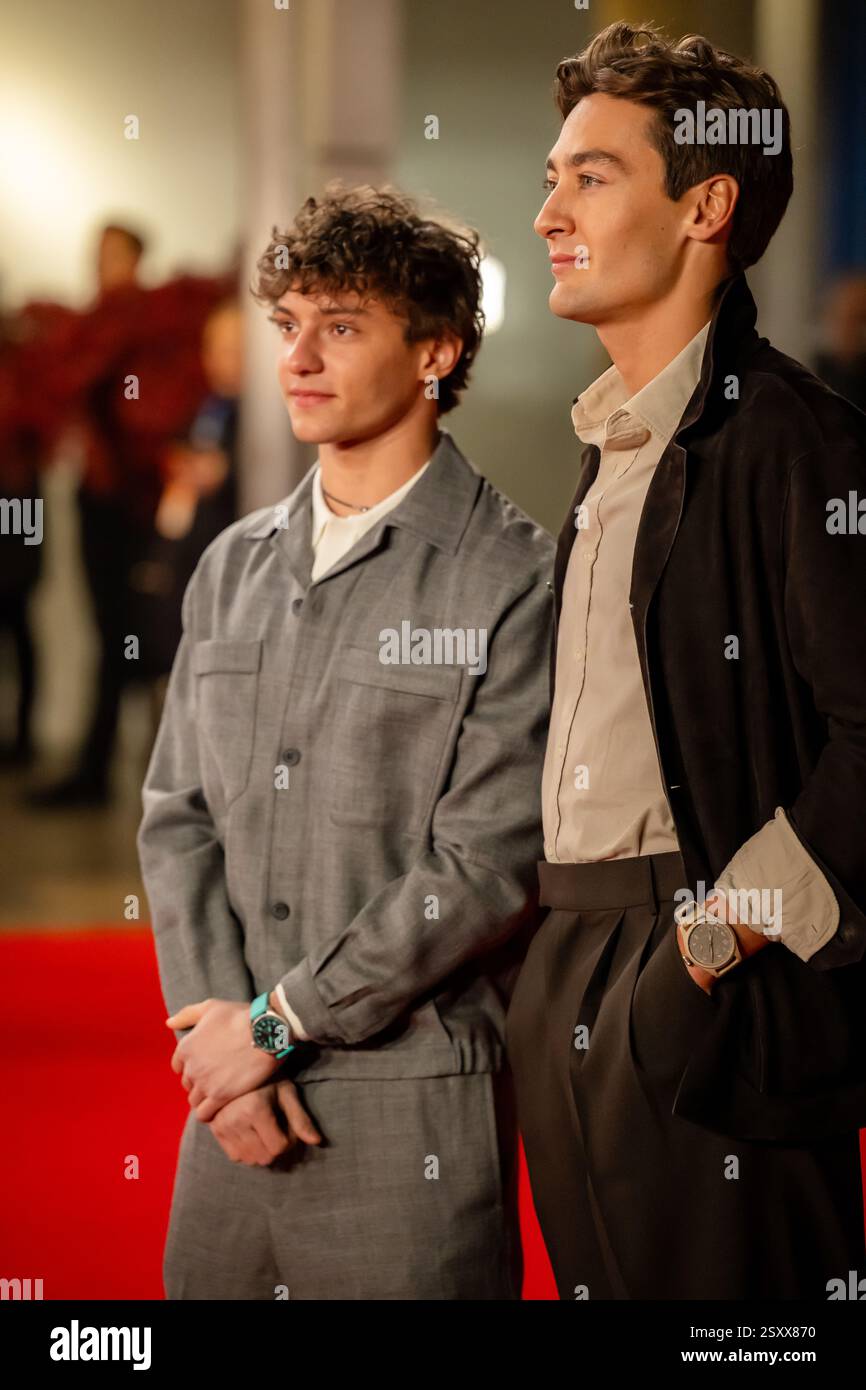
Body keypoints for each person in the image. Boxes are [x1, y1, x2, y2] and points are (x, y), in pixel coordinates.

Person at [138, 185, 555, 1300]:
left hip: (406, 1107)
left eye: (342, 325)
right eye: (289, 325)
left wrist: (279, 1025)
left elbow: (485, 870)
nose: (298, 358)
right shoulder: (231, 562)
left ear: (436, 352)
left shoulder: (515, 577)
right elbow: (176, 816)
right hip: (226, 1110)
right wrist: (224, 1050)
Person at [506, 22, 866, 1301]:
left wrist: (711, 943)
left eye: (588, 176)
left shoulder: (794, 440)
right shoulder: (609, 448)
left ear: (704, 205)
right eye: (552, 175)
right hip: (570, 960)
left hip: (702, 985)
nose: (548, 207)